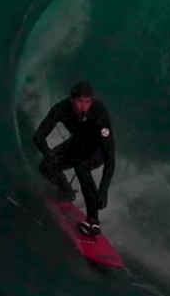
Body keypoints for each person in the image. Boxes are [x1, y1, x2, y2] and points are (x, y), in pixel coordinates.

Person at [32, 81, 116, 237]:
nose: (84, 107)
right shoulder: (61, 109)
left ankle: (93, 222)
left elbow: (110, 157)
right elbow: (39, 136)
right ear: (72, 100)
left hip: (96, 149)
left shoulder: (99, 112)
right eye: (80, 102)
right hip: (76, 145)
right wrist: (48, 154)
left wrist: (103, 190)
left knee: (81, 168)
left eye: (87, 102)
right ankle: (66, 191)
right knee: (46, 166)